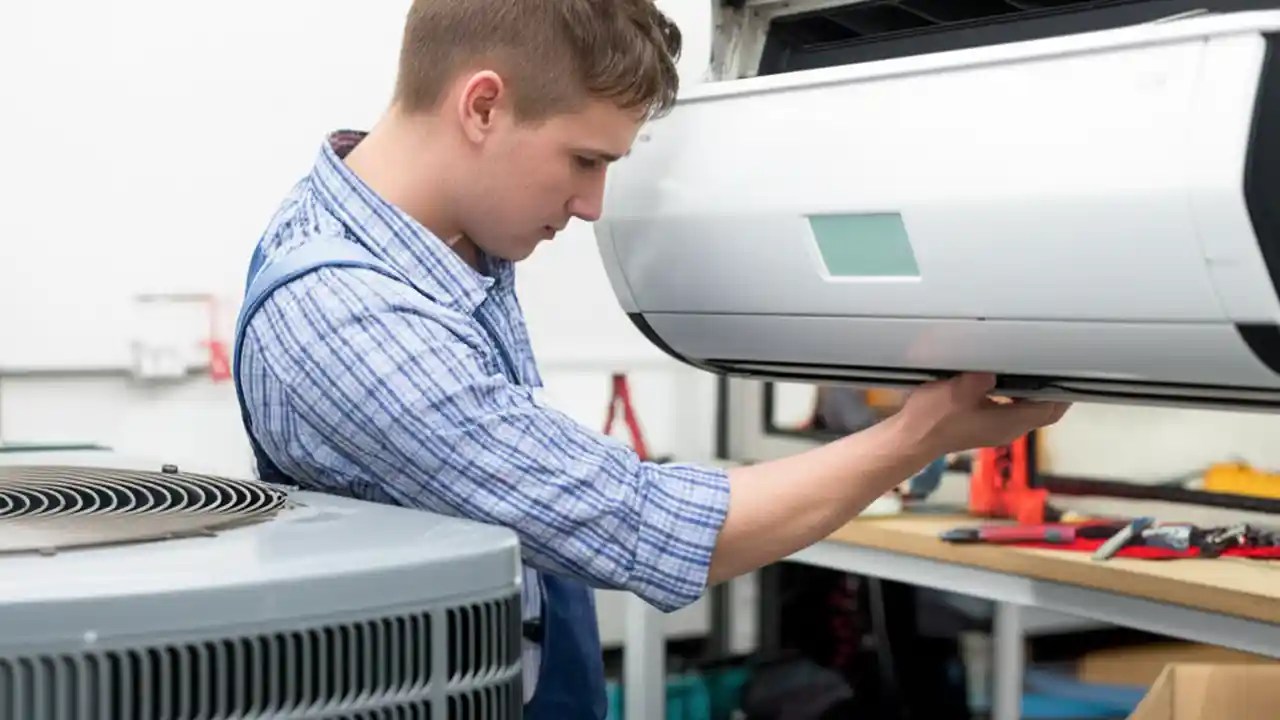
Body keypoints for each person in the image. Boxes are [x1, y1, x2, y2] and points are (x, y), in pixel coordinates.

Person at [231, 0, 1070, 717]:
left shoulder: (423, 235)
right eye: (585, 160)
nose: (593, 206)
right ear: (482, 106)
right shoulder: (346, 317)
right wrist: (918, 436)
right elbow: (655, 528)